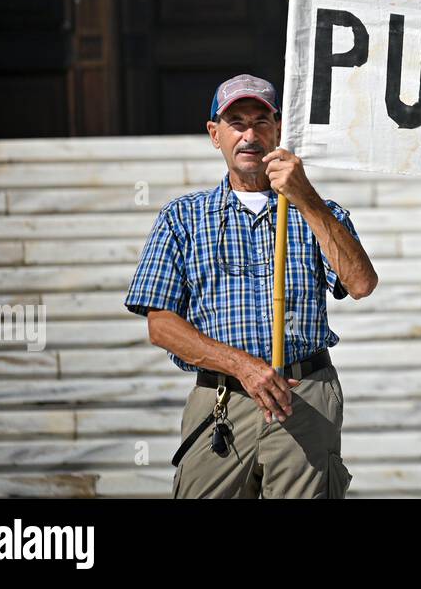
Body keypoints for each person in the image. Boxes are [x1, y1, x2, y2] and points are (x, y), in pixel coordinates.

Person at [124, 73, 379, 498]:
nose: (250, 135)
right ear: (215, 134)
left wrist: (305, 198)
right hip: (222, 400)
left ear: (279, 129)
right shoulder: (182, 218)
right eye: (236, 122)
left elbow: (361, 283)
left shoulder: (318, 211)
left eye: (261, 122)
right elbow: (161, 326)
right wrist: (244, 366)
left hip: (306, 395)